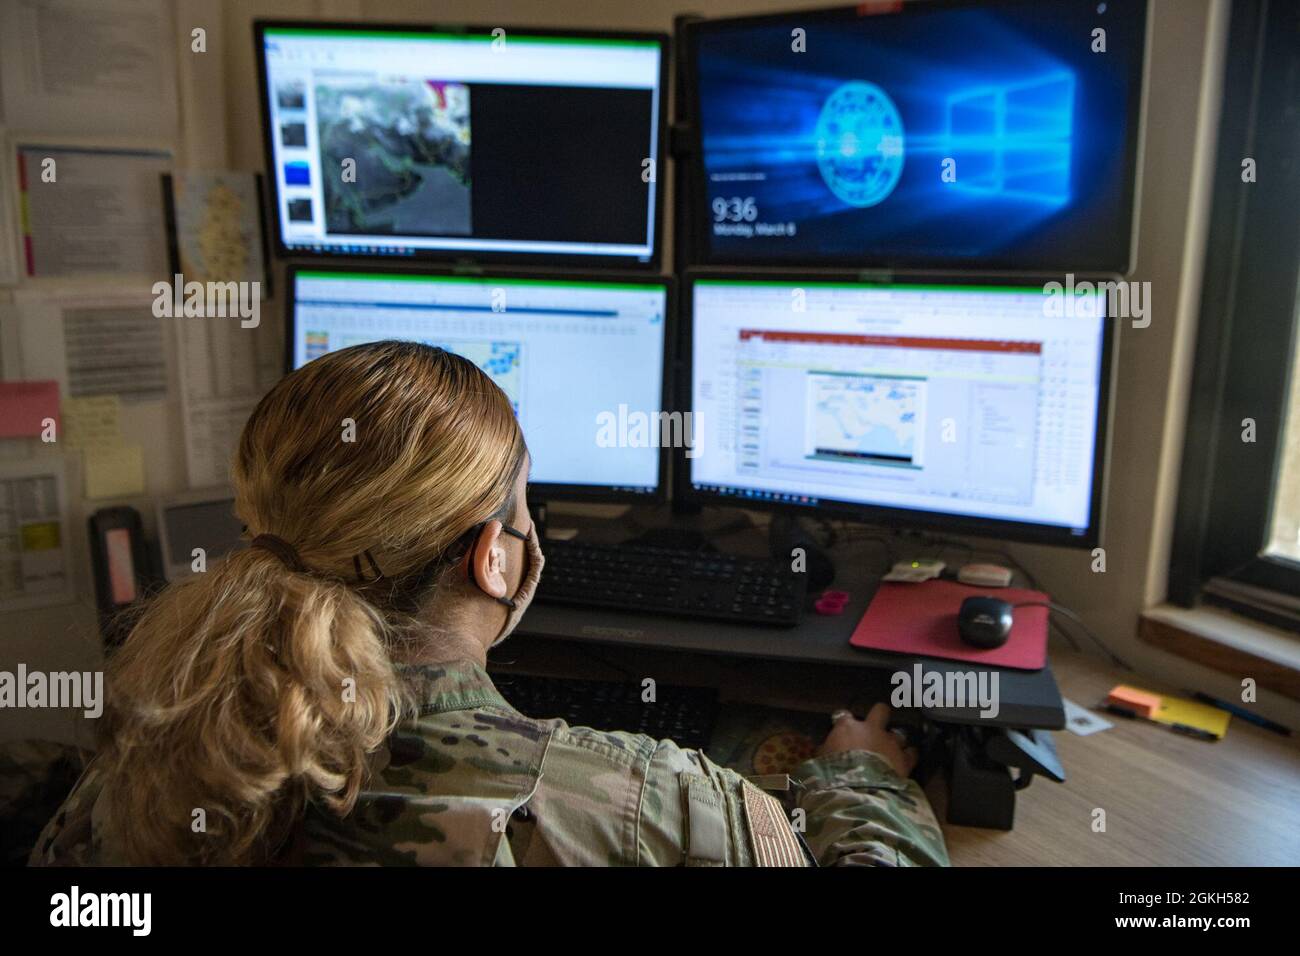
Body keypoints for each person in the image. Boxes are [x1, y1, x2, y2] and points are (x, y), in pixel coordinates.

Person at [31, 342, 949, 867]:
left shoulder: (141, 779)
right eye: (522, 509)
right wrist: (863, 778)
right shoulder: (649, 805)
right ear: (494, 559)